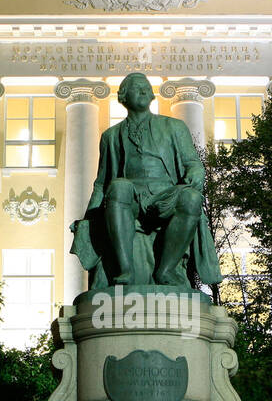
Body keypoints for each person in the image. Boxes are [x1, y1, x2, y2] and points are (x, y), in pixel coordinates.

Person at [70, 72, 222, 290]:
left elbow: (193, 163)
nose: (143, 90)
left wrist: (197, 173)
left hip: (167, 195)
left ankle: (166, 270)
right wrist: (89, 217)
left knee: (191, 198)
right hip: (129, 197)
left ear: (152, 95)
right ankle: (125, 270)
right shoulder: (111, 136)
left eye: (146, 87)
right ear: (122, 97)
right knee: (118, 186)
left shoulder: (174, 127)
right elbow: (102, 183)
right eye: (136, 86)